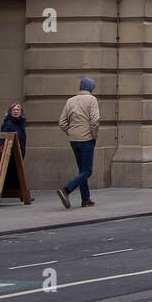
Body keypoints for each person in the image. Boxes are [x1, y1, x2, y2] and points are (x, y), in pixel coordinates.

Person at [57, 77, 100, 208]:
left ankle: (85, 199)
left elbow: (62, 122)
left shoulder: (70, 101)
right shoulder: (92, 99)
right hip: (86, 139)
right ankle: (66, 190)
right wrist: (94, 135)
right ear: (91, 88)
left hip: (73, 140)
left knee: (82, 170)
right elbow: (95, 121)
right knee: (87, 171)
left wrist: (70, 132)